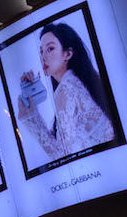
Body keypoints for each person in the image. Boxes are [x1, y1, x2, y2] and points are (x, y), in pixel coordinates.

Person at [14, 21, 117, 161]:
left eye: (50, 49)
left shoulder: (66, 89)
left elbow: (65, 157)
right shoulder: (80, 83)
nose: (43, 57)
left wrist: (31, 117)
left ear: (67, 54)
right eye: (41, 51)